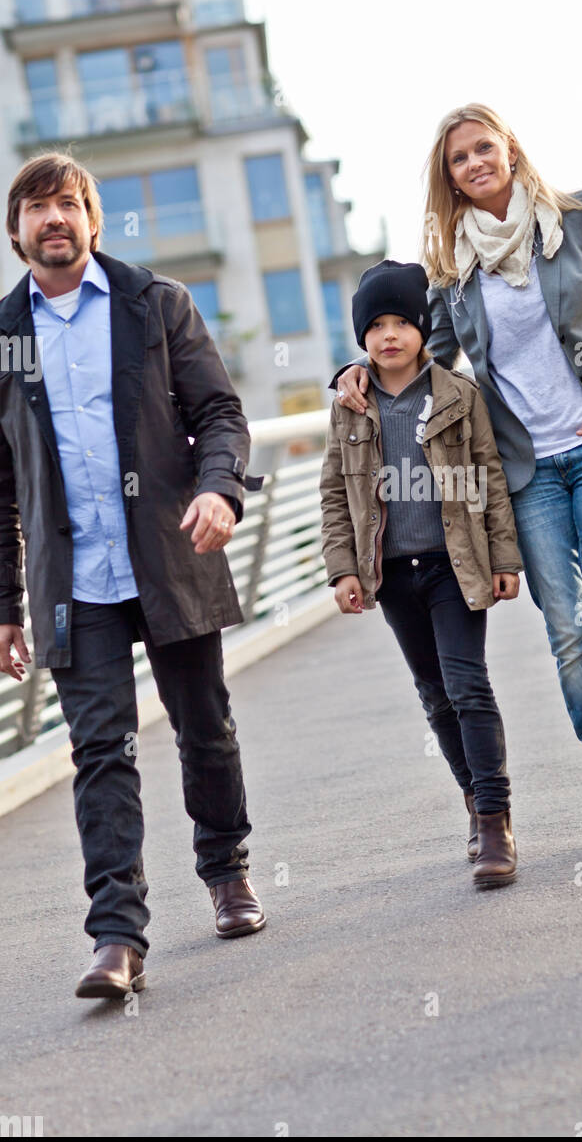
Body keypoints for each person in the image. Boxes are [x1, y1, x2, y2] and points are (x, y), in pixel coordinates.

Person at [333, 104, 582, 851]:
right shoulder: (452, 270)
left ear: (510, 150)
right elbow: (420, 353)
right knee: (569, 631)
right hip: (524, 467)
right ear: (450, 178)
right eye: (458, 159)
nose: (474, 164)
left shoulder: (580, 217)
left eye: (483, 149)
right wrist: (355, 369)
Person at [1, 153, 266, 1000]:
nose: (54, 220)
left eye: (68, 205)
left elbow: (220, 413)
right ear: (16, 234)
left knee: (205, 727)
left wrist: (219, 488)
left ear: (93, 220)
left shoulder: (156, 305)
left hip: (168, 552)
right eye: (37, 209)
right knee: (100, 752)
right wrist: (6, 604)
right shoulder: (6, 338)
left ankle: (226, 872)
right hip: (72, 582)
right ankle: (117, 938)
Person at [319, 259, 523, 886]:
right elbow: (333, 493)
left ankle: (495, 821)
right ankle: (471, 798)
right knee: (434, 696)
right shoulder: (350, 406)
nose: (389, 336)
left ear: (422, 328)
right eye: (375, 325)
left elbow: (488, 475)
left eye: (401, 322)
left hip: (451, 566)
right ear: (362, 338)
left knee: (468, 686)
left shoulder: (459, 394)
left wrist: (505, 557)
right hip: (391, 572)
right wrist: (342, 569)